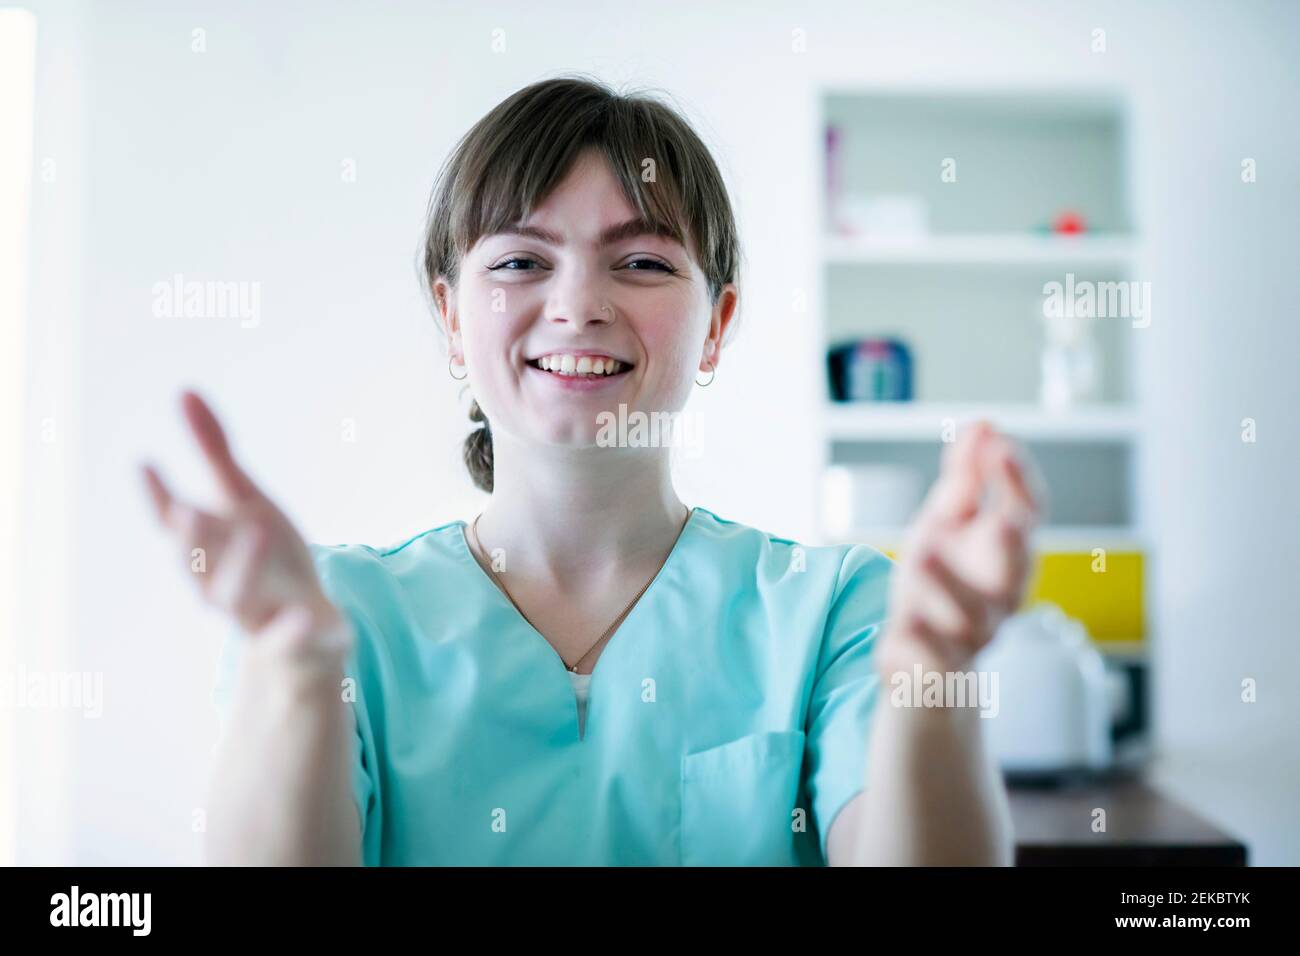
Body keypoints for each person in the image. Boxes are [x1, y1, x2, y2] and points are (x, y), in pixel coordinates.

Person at [141, 75, 1040, 866]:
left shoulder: (839, 613)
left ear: (717, 323)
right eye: (522, 261)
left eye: (642, 262)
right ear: (453, 319)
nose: (577, 305)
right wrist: (296, 669)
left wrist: (934, 667)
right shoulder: (332, 621)